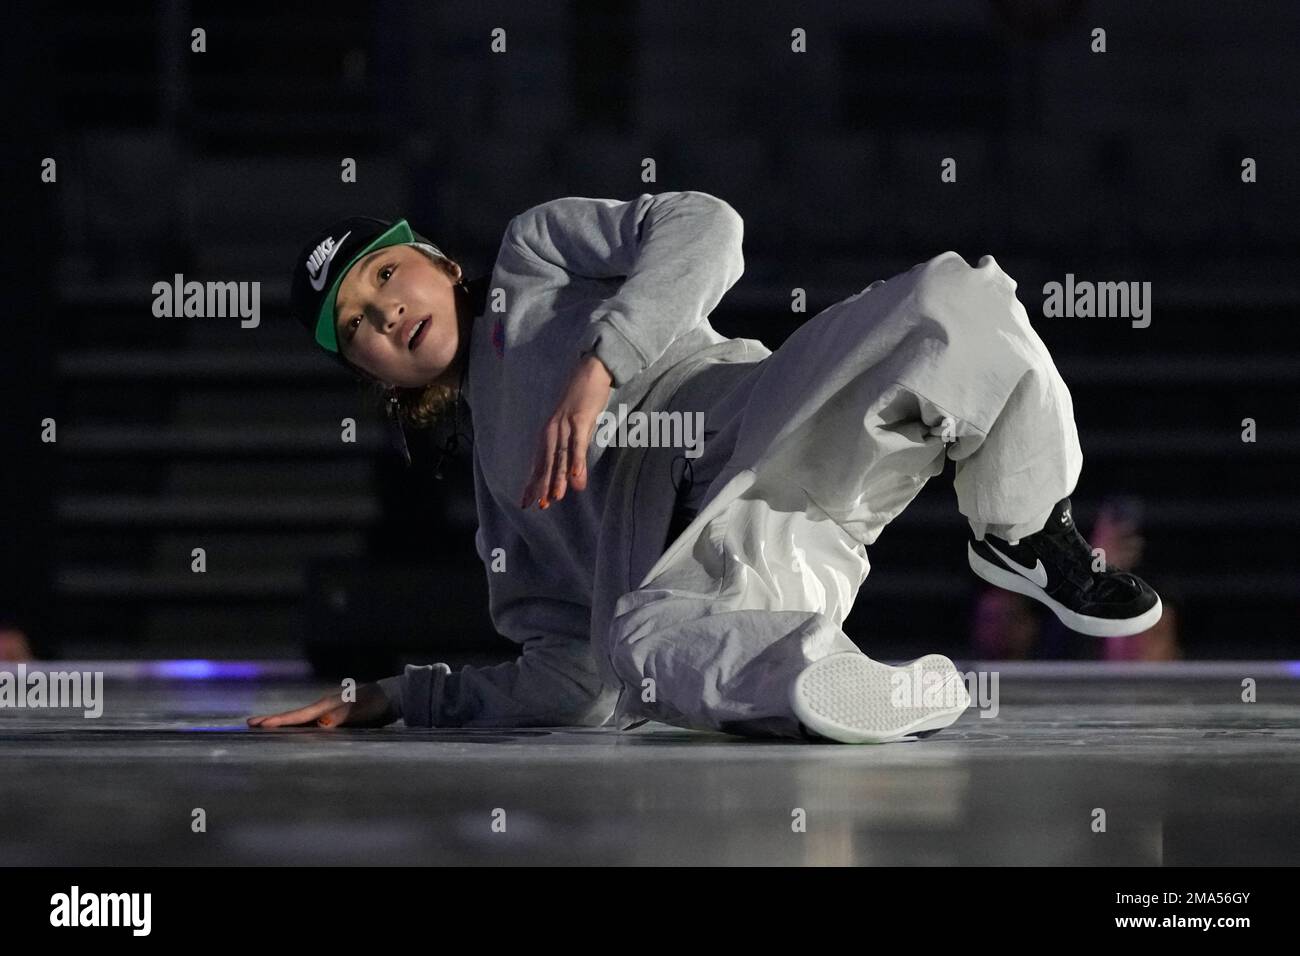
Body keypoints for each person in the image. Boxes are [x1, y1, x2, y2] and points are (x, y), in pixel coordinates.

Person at [248, 190, 1161, 743]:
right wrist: (405, 697)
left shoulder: (536, 256)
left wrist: (601, 364)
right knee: (639, 654)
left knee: (955, 296)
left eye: (381, 277)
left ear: (438, 263)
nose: (383, 314)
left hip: (761, 417)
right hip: (736, 554)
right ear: (370, 376)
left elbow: (707, 225)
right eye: (356, 331)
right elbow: (570, 687)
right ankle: (828, 678)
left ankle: (1025, 529)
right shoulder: (500, 506)